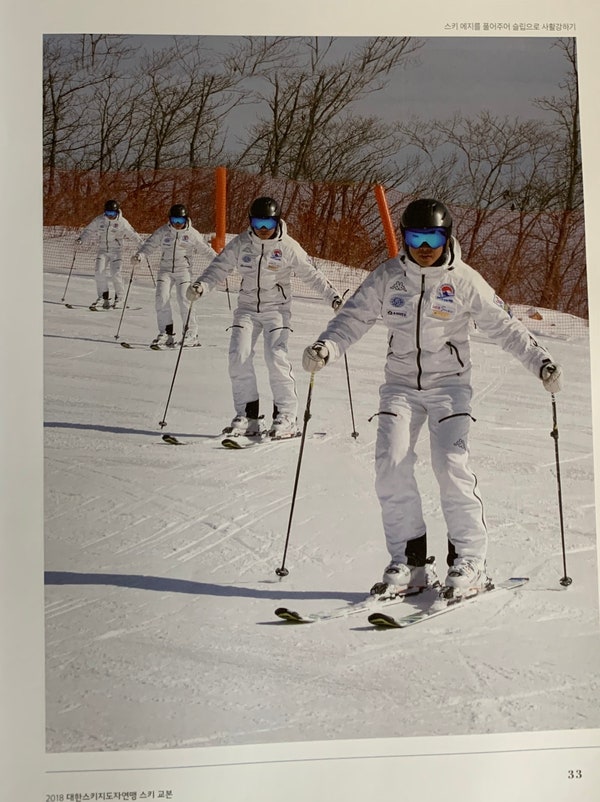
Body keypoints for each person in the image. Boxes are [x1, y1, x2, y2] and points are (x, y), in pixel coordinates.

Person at [302, 198, 563, 597]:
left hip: (450, 390)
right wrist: (326, 348)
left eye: (434, 237)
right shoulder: (389, 276)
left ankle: (469, 562)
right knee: (390, 466)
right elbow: (352, 318)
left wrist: (541, 362)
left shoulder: (464, 280)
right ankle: (410, 563)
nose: (425, 246)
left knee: (450, 465)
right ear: (405, 238)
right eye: (416, 236)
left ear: (448, 236)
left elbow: (505, 327)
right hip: (400, 387)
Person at [187, 196, 342, 438]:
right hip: (247, 309)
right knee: (238, 356)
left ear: (277, 222)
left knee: (275, 357)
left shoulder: (288, 247)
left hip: (276, 311)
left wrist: (333, 297)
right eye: (258, 223)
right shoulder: (241, 244)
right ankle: (248, 416)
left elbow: (312, 274)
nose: (263, 230)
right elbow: (219, 267)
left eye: (268, 224)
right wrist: (201, 286)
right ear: (250, 222)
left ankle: (286, 416)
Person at [132, 204, 215, 349]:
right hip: (165, 270)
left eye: (180, 221)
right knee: (161, 298)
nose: (177, 224)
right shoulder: (163, 232)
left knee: (185, 299)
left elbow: (206, 250)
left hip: (183, 271)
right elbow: (149, 245)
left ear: (186, 219)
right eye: (174, 220)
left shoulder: (192, 234)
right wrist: (140, 255)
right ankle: (166, 333)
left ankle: (191, 334)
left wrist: (220, 261)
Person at [77, 199, 143, 309]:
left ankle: (120, 299)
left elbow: (133, 234)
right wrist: (81, 239)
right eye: (108, 213)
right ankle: (103, 298)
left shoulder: (122, 222)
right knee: (99, 272)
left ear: (117, 212)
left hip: (116, 252)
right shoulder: (100, 220)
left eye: (112, 213)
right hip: (102, 250)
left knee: (115, 273)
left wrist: (142, 246)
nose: (110, 216)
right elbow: (89, 230)